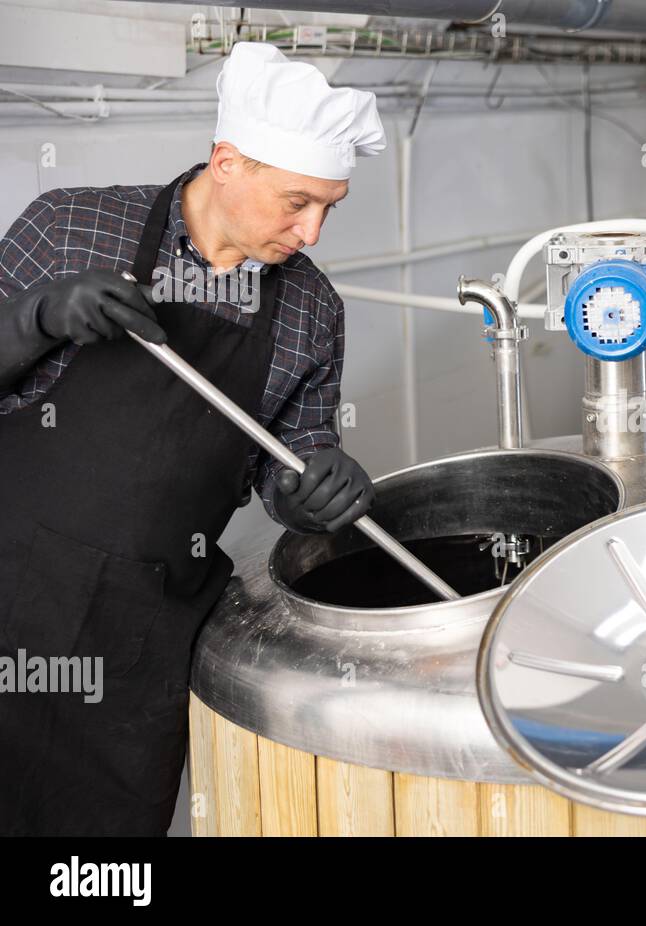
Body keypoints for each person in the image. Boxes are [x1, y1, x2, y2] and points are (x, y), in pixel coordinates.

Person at [0, 43, 388, 835]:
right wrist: (33, 318)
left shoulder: (313, 311)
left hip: (135, 646)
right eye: (296, 201)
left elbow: (289, 466)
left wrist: (316, 493)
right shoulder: (71, 227)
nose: (311, 232)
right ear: (227, 162)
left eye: (329, 208)